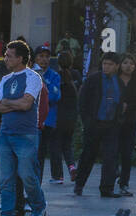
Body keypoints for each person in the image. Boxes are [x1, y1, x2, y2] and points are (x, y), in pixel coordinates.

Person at [0, 40, 45, 216]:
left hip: (26, 135)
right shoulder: (5, 79)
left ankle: (38, 208)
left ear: (20, 58)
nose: (5, 58)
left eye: (9, 55)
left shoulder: (33, 77)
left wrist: (7, 102)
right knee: (6, 178)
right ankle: (6, 215)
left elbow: (27, 104)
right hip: (5, 134)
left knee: (27, 175)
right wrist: (14, 104)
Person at [73, 53, 122, 198]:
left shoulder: (118, 82)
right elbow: (82, 101)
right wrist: (87, 121)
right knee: (88, 155)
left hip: (111, 124)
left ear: (116, 66)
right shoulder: (93, 80)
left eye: (110, 64)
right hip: (94, 123)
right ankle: (79, 184)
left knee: (110, 157)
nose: (106, 67)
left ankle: (107, 188)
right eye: (105, 64)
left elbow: (119, 102)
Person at [113, 53, 136, 197]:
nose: (128, 66)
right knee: (112, 152)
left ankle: (124, 183)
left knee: (127, 154)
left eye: (131, 64)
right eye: (125, 63)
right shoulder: (113, 79)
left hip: (130, 122)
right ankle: (111, 176)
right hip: (113, 122)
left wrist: (128, 107)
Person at [33, 46, 64, 184]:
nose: (44, 59)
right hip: (31, 120)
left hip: (48, 121)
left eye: (47, 56)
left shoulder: (54, 75)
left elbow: (55, 96)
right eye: (41, 56)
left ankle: (37, 185)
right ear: (35, 58)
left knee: (41, 154)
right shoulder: (30, 73)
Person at [52, 50, 79, 182]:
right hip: (72, 116)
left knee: (56, 145)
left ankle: (58, 175)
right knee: (67, 144)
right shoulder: (76, 75)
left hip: (58, 116)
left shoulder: (56, 76)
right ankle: (72, 166)